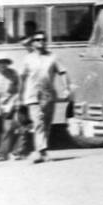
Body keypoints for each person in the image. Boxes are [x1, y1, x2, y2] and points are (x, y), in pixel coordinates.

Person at [18, 31, 67, 165]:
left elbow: (62, 72)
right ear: (33, 43)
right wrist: (20, 95)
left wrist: (66, 88)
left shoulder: (53, 57)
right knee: (38, 122)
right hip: (32, 95)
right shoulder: (28, 58)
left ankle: (39, 152)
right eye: (38, 40)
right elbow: (22, 78)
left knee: (46, 123)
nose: (41, 42)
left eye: (43, 39)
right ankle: (43, 151)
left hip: (48, 95)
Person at [0, 56, 23, 161]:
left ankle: (8, 153)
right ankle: (0, 151)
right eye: (0, 63)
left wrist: (14, 101)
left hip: (10, 104)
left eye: (5, 62)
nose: (2, 65)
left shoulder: (13, 74)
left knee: (10, 128)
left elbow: (19, 89)